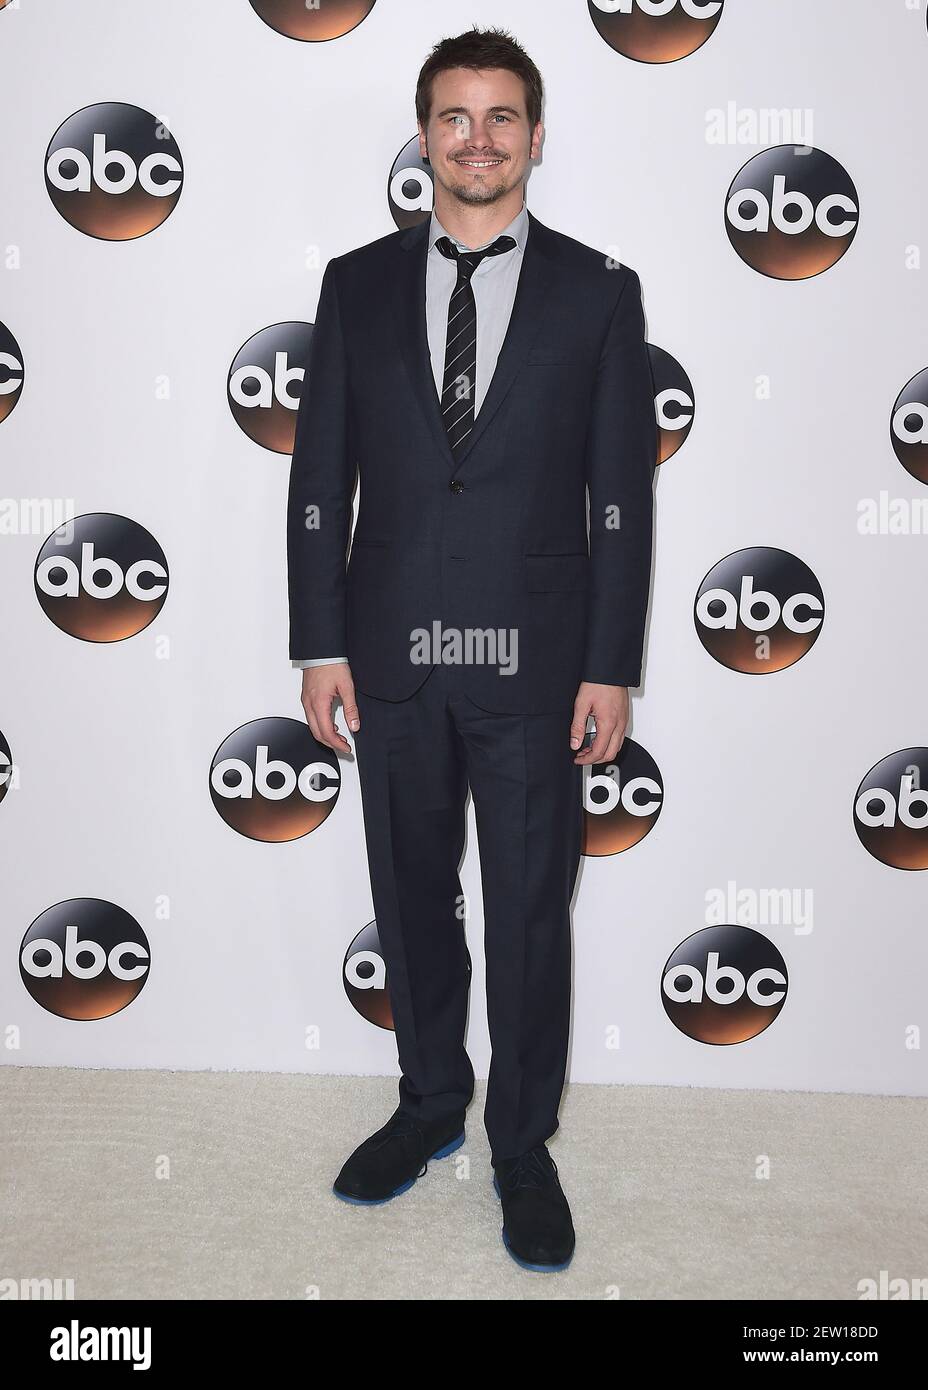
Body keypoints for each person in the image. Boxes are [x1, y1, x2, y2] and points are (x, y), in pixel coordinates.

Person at [287, 25, 656, 1273]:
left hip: (541, 665)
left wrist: (610, 662)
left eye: (503, 117)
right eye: (456, 117)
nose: (479, 139)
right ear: (425, 133)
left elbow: (620, 497)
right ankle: (430, 1100)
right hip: (387, 655)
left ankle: (521, 1143)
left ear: (535, 137)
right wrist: (317, 641)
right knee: (411, 896)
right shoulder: (354, 284)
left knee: (528, 918)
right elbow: (316, 482)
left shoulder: (599, 291)